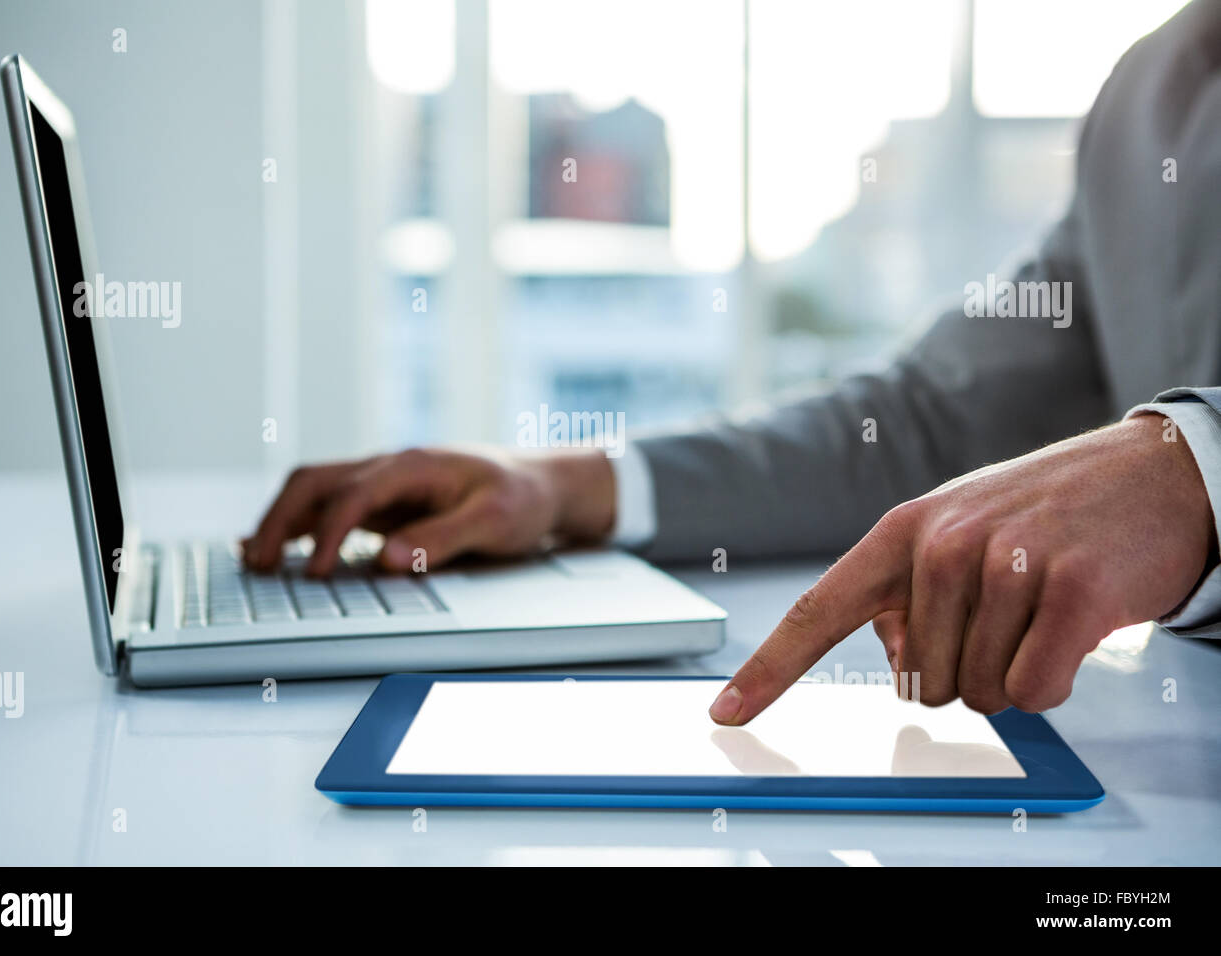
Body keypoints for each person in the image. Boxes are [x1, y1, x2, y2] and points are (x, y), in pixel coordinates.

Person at [243, 1, 1221, 725]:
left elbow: (1163, 474)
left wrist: (1197, 470)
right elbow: (925, 421)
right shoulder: (1161, 89)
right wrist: (571, 485)